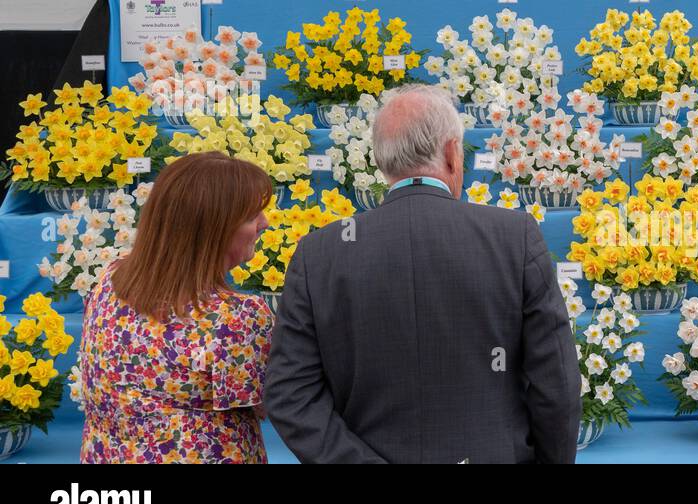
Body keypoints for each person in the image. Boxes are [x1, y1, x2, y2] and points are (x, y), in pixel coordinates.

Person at [266, 84, 580, 464]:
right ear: (452, 153)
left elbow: (291, 394)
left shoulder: (318, 253)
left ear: (379, 159)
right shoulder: (515, 237)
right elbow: (556, 384)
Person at [80, 151, 274, 464]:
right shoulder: (237, 317)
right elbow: (274, 404)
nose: (265, 223)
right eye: (252, 217)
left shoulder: (108, 280)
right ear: (213, 230)